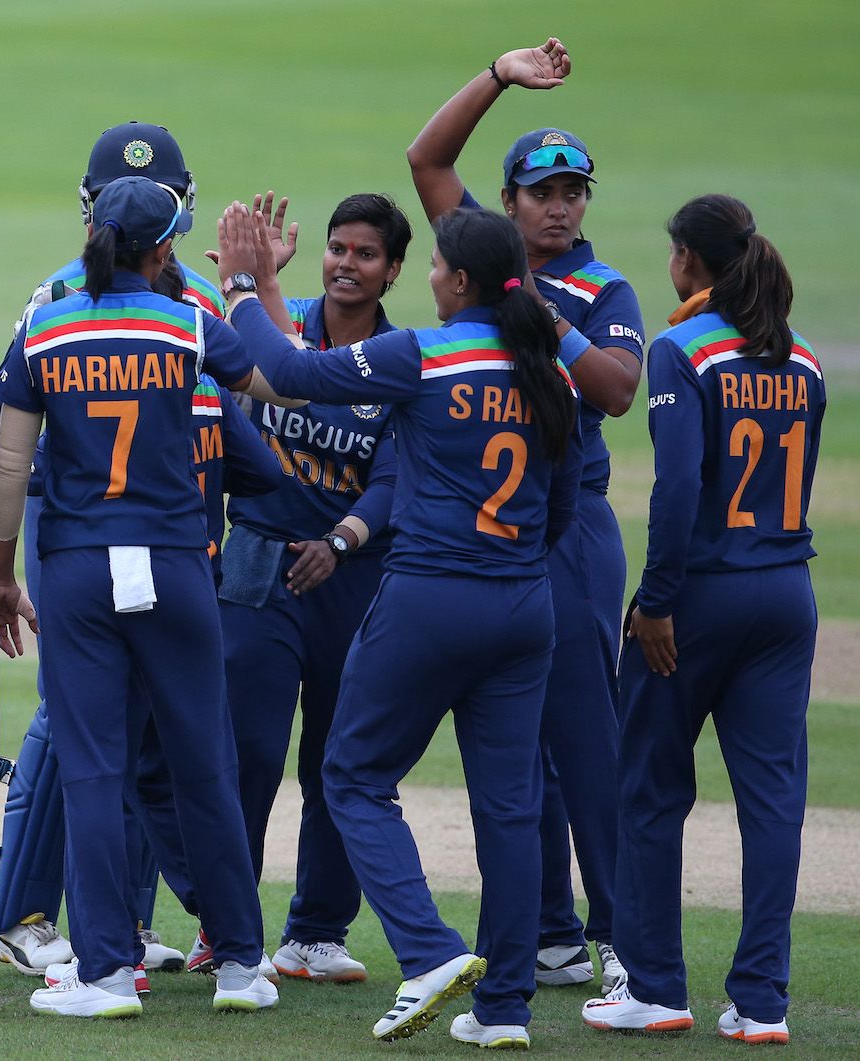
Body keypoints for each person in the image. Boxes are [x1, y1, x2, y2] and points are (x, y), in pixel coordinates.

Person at [217, 202, 582, 1050]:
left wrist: (241, 282)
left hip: (429, 598)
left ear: (459, 280)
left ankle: (428, 951)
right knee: (511, 808)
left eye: (435, 267)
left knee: (351, 775)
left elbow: (285, 368)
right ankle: (505, 1009)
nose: (431, 279)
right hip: (523, 606)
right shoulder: (551, 371)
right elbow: (561, 509)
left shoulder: (423, 352)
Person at [0, 122, 283, 980]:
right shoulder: (195, 315)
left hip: (81, 546)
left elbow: (7, 450)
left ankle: (109, 952)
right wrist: (257, 291)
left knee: (95, 748)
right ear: (169, 237)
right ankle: (234, 959)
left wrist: (0, 570)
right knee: (189, 753)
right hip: (178, 545)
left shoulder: (49, 314)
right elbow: (275, 387)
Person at [407, 35, 645, 993]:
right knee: (516, 741)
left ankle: (627, 939)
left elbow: (618, 389)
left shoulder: (603, 287)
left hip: (571, 527)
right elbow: (426, 159)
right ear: (506, 202)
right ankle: (550, 931)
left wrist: (542, 313)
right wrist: (498, 78)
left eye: (573, 191)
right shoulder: (480, 254)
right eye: (542, 191)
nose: (559, 206)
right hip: (492, 533)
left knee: (585, 736)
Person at [582, 195, 823, 1045]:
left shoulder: (681, 350)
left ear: (688, 260)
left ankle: (654, 988)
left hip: (702, 597)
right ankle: (762, 1002)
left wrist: (655, 601)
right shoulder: (805, 359)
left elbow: (679, 488)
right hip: (787, 592)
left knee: (650, 787)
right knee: (774, 801)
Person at [218, 193, 411, 984]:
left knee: (339, 757)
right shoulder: (282, 321)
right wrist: (258, 284)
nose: (345, 264)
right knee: (249, 751)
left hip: (350, 577)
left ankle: (316, 933)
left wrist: (339, 541)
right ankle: (228, 929)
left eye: (365, 253)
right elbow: (239, 371)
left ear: (393, 270)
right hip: (258, 563)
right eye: (337, 247)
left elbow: (394, 481)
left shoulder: (401, 357)